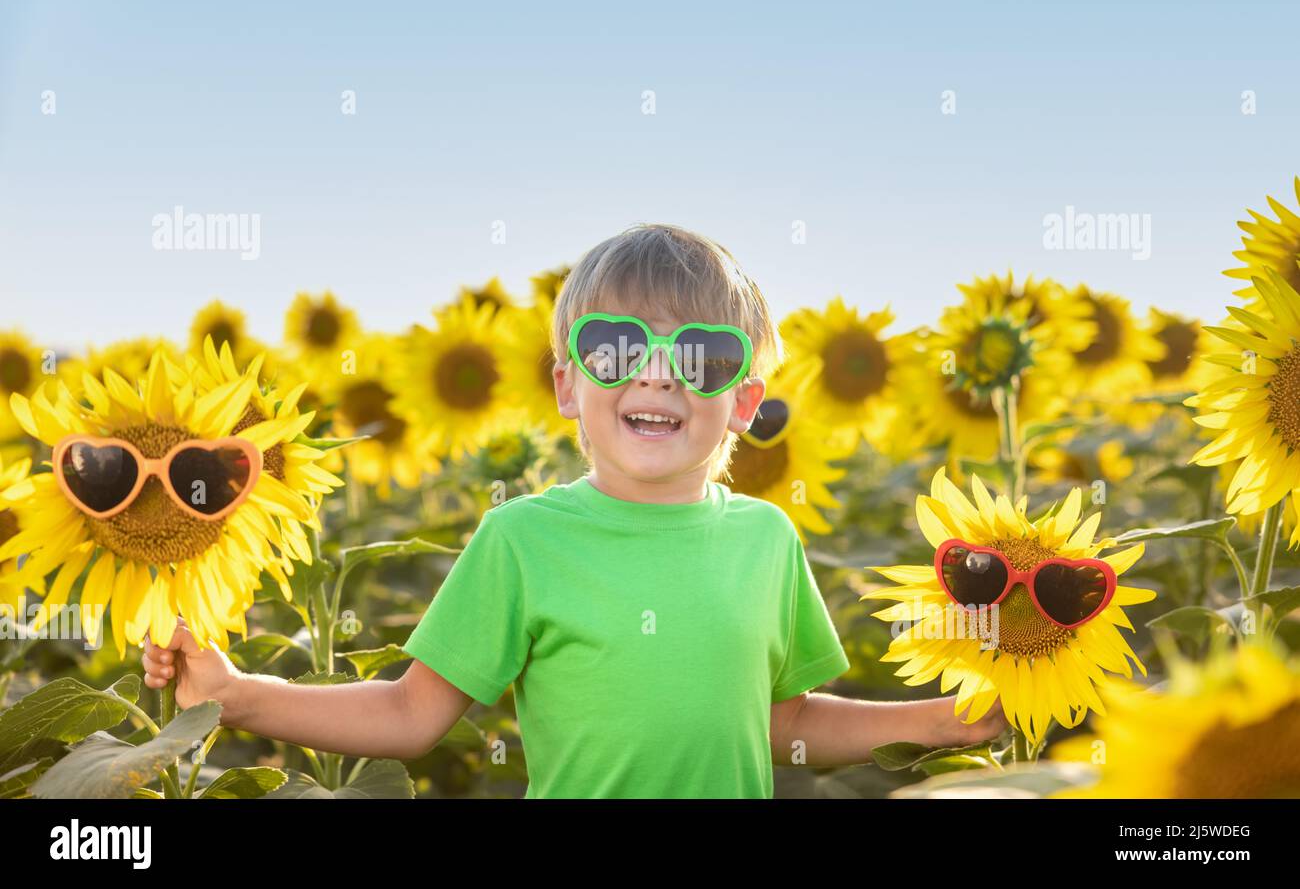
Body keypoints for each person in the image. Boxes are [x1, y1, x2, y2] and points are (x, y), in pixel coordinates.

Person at [143, 223, 1008, 797]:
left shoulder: (767, 539)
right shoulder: (521, 539)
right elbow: (410, 716)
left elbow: (783, 725)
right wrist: (241, 693)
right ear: (568, 383)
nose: (658, 373)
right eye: (617, 348)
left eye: (701, 356)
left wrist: (933, 721)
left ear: (745, 401)